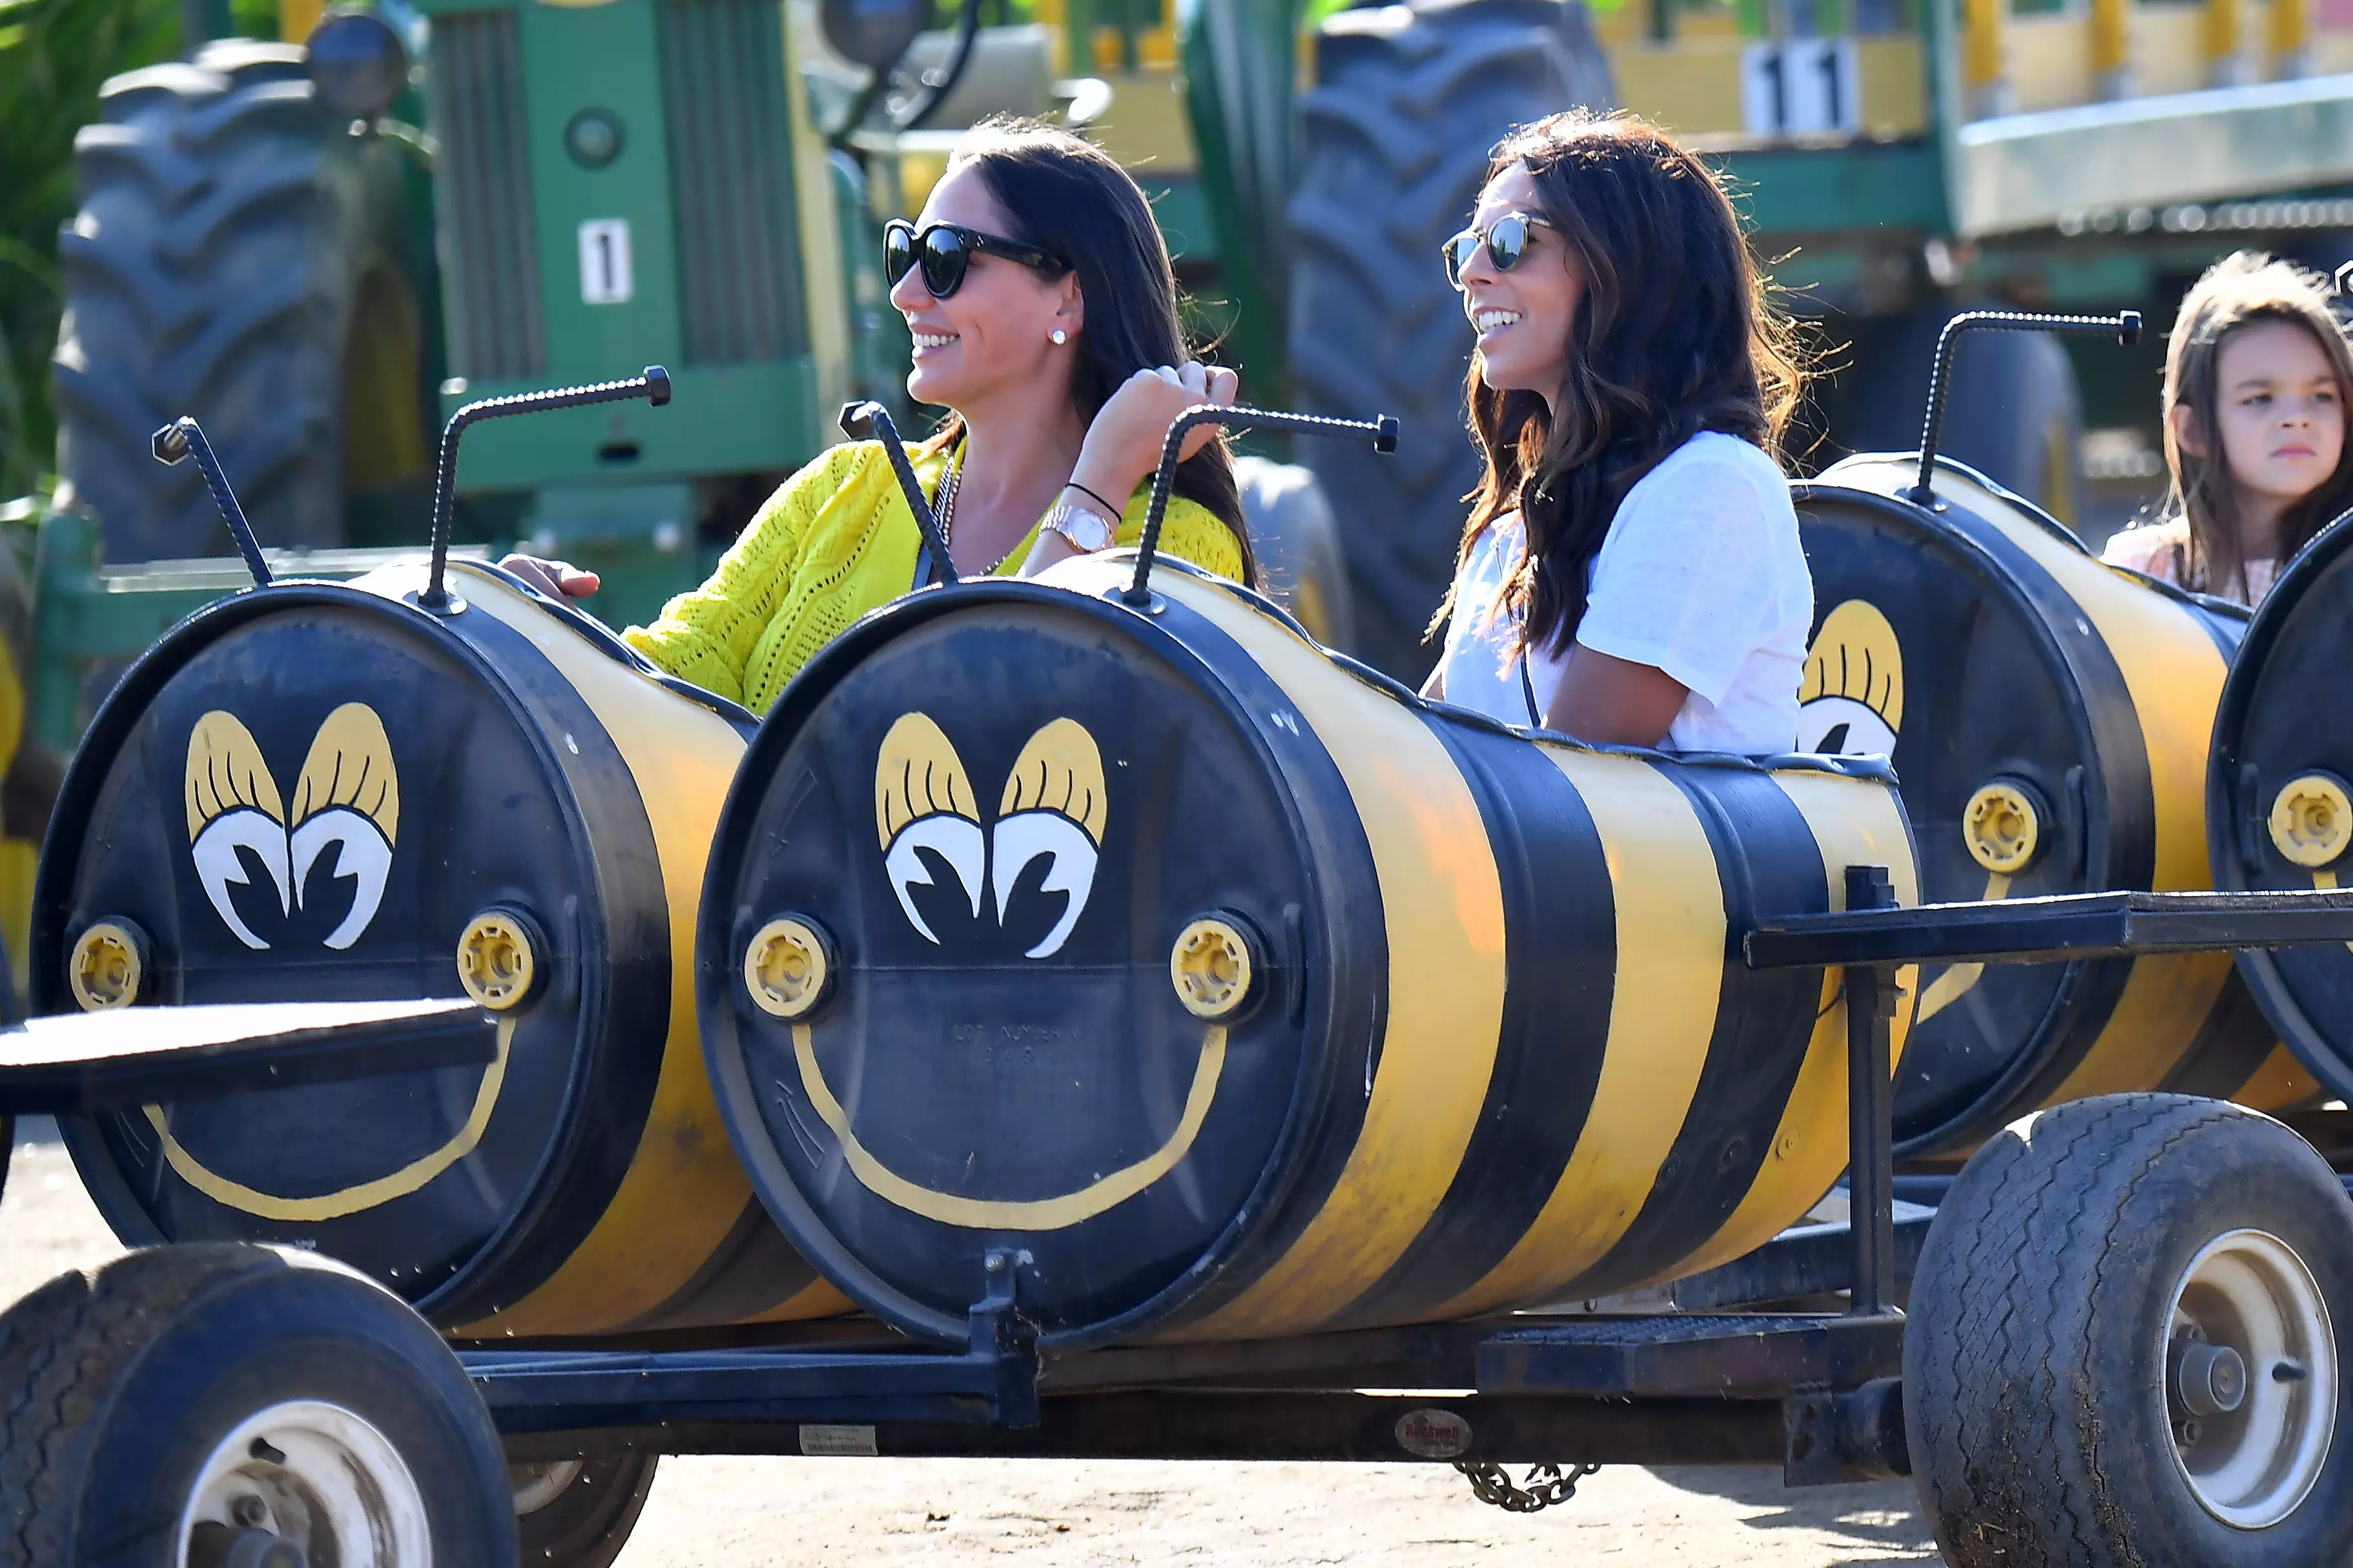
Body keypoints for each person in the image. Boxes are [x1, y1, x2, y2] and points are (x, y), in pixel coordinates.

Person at [505, 117, 1253, 715]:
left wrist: (1096, 488)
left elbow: (1017, 722)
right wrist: (539, 638)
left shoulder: (1174, 541)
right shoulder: (840, 488)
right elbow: (669, 677)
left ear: (1068, 296)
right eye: (904, 254)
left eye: (948, 259)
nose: (905, 295)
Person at [1418, 110, 1812, 755]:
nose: (1472, 273)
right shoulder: (1518, 524)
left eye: (1512, 242)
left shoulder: (1709, 488)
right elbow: (1415, 749)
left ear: (1629, 268)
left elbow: (1567, 789)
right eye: (1465, 248)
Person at [2102, 252, 2353, 606]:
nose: (2298, 417)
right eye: (2260, 399)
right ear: (2193, 431)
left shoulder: (2345, 568)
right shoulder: (2145, 571)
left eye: (2323, 396)